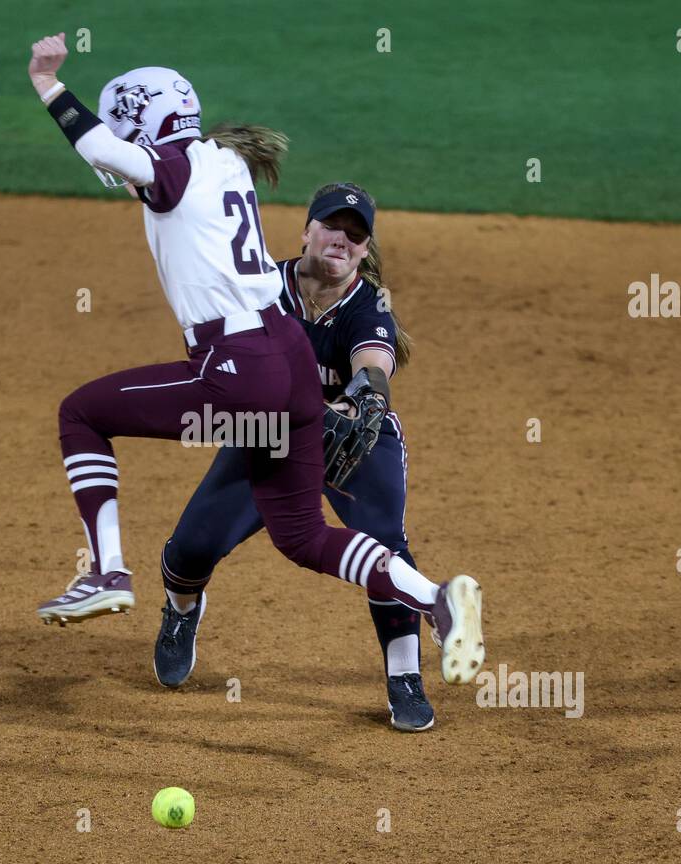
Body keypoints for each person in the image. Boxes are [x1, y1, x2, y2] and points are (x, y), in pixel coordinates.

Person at [25, 33, 483, 678]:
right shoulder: (222, 164)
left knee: (82, 414)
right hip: (288, 358)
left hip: (237, 367)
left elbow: (104, 150)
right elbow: (133, 174)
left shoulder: (175, 171)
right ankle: (435, 598)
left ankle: (108, 571)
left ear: (146, 127)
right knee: (301, 536)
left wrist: (48, 84)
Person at [156, 183, 477, 730]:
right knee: (191, 549)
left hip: (354, 442)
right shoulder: (259, 286)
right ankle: (181, 613)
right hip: (271, 439)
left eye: (356, 234)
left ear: (364, 248)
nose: (342, 239)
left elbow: (373, 360)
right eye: (332, 226)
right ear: (306, 230)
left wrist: (366, 395)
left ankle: (404, 676)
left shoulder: (369, 302)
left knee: (385, 549)